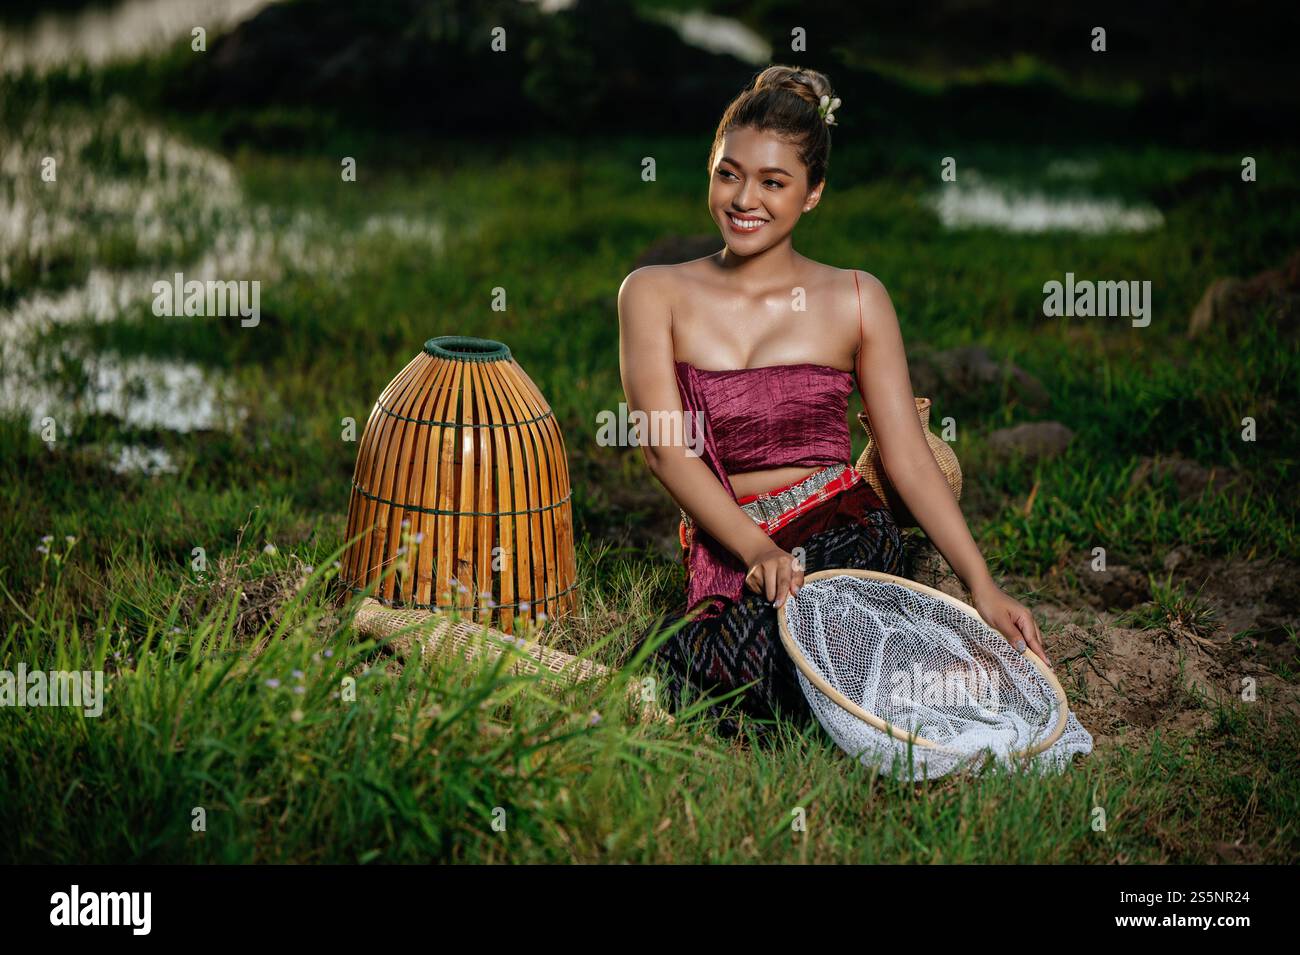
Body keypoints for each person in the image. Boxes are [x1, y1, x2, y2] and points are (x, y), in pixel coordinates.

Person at [618, 64, 1051, 741]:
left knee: (806, 628)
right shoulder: (652, 293)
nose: (744, 199)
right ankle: (882, 677)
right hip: (732, 543)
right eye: (729, 173)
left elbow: (906, 456)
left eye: (773, 182)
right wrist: (756, 547)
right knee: (709, 657)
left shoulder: (857, 297)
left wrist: (982, 585)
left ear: (813, 194)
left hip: (841, 526)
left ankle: (895, 670)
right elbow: (664, 450)